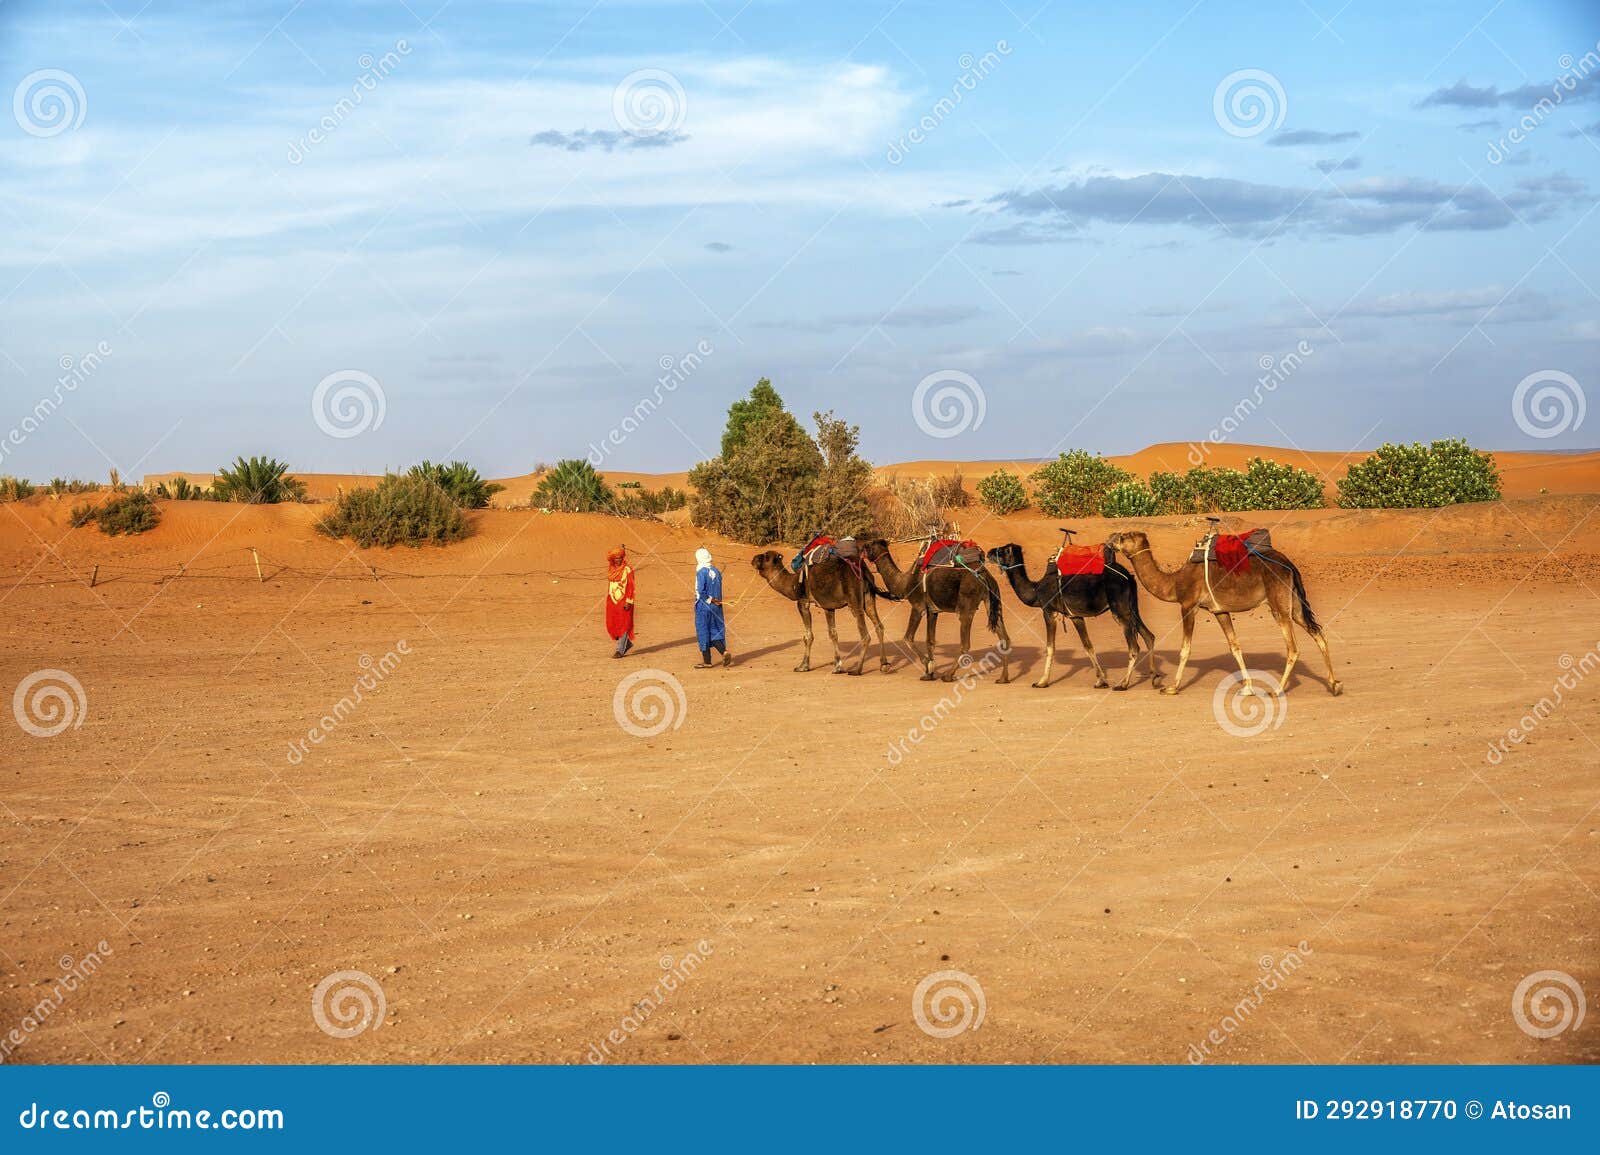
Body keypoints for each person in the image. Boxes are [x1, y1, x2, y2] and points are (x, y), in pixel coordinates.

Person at [694, 546, 729, 668]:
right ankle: (723, 651)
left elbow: (701, 591)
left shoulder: (701, 572)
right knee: (715, 630)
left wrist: (710, 600)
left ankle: (707, 661)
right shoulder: (717, 571)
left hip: (704, 606)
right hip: (717, 606)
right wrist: (716, 601)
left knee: (703, 631)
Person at [606, 545, 635, 658]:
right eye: (615, 558)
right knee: (614, 624)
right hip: (612, 601)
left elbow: (631, 586)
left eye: (619, 557)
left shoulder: (627, 569)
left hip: (624, 601)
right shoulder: (611, 570)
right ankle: (626, 643)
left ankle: (620, 650)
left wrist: (628, 601)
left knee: (624, 624)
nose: (618, 560)